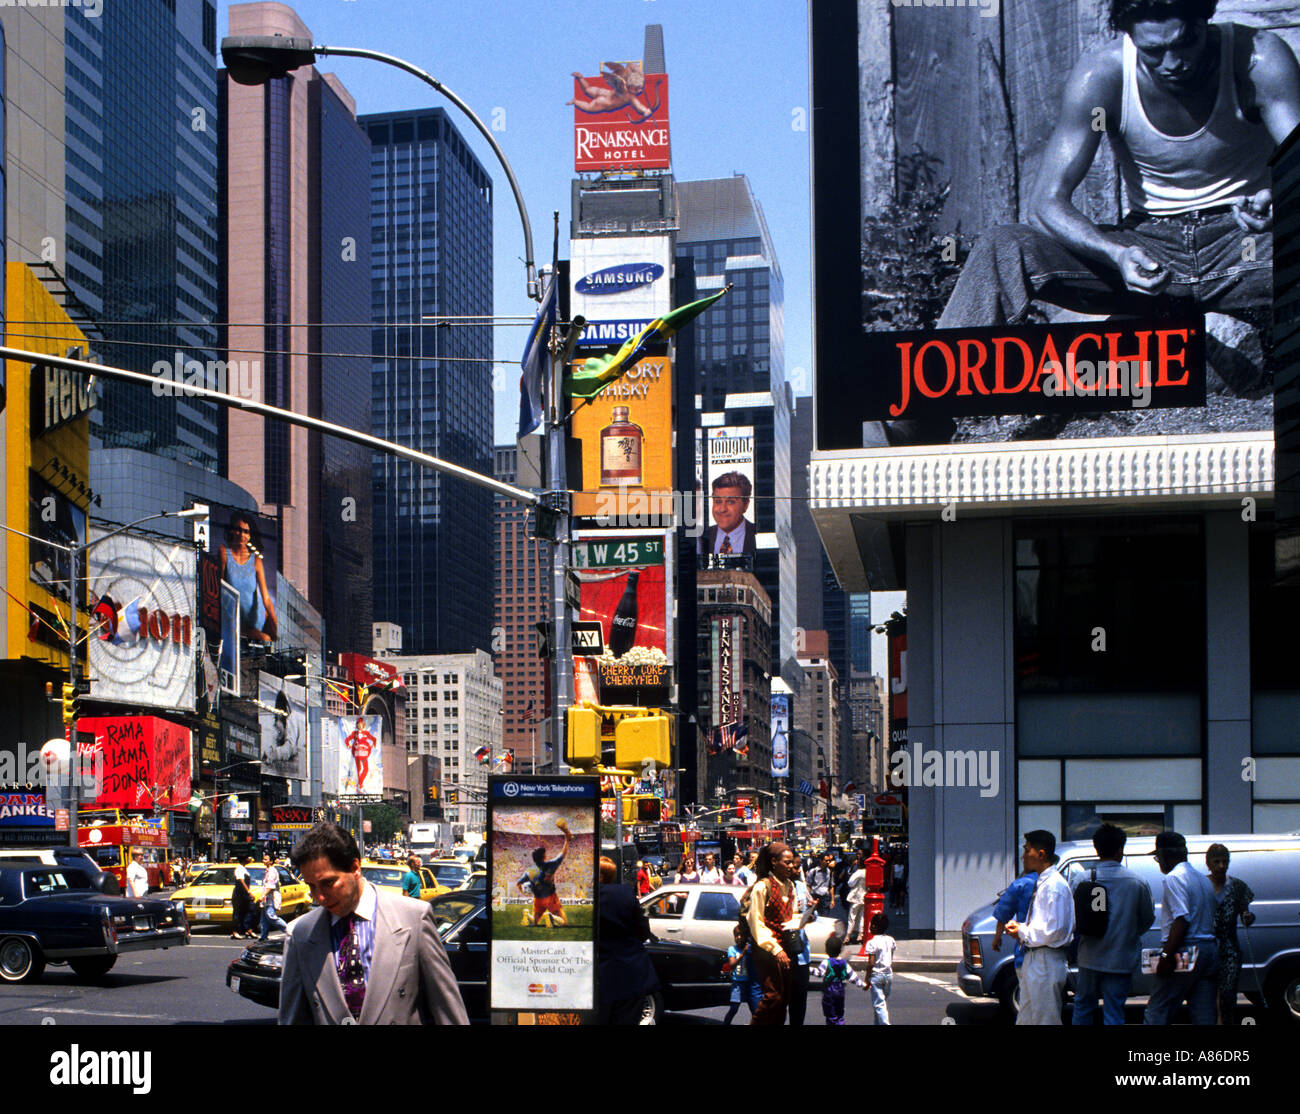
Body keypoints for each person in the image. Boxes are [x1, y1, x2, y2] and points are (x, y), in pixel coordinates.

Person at [895, 0, 1300, 447]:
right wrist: (1117, 254)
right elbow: (1047, 202)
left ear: (1205, 19)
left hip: (1243, 245)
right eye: (1152, 51)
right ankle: (911, 428)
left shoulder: (1259, 58)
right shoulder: (1102, 76)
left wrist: (1274, 200)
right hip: (1151, 250)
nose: (1172, 63)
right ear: (1128, 35)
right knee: (1002, 245)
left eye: (1185, 42)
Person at [279, 822, 467, 1025]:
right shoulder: (300, 933)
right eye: (311, 886)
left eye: (328, 883)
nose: (320, 897)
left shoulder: (413, 918)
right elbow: (292, 1017)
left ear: (355, 868)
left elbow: (448, 1009)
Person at [1072, 823, 1156, 1026]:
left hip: (1089, 956)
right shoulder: (1137, 882)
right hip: (1121, 957)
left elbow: (1071, 916)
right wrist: (1128, 931)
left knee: (1083, 1006)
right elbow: (1147, 918)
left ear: (1096, 849)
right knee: (1114, 1010)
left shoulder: (1082, 879)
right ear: (1121, 849)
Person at [1145, 831, 1220, 1025]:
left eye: (1157, 857)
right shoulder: (1203, 880)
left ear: (1164, 856)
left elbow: (1181, 920)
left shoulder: (1174, 878)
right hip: (1209, 950)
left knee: (1158, 1010)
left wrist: (1165, 957)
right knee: (1204, 1014)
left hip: (1186, 949)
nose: (1158, 862)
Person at [1004, 830, 1075, 1025]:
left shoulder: (1054, 886)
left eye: (1027, 851)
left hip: (1045, 958)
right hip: (1034, 956)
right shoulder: (1043, 882)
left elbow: (1052, 931)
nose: (1023, 856)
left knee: (1045, 1018)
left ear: (1041, 854)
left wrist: (1020, 931)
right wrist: (1021, 929)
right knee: (1027, 1016)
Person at [596, 856, 660, 1024]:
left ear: (599, 874)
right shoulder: (624, 893)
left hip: (598, 977)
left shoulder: (587, 896)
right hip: (629, 973)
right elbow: (643, 931)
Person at [743, 841, 798, 1025]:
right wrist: (776, 949)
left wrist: (803, 920)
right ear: (774, 862)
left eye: (792, 863)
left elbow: (793, 916)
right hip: (767, 950)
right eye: (787, 862)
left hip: (785, 947)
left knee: (784, 998)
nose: (791, 866)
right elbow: (756, 922)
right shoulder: (763, 887)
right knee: (773, 996)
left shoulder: (790, 886)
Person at [1206, 843, 1255, 1025]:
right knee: (1206, 996)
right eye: (1216, 861)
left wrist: (1248, 917)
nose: (1221, 866)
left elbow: (1246, 912)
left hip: (1229, 950)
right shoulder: (1202, 885)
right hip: (1206, 948)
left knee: (1227, 995)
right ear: (1208, 863)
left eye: (1225, 862)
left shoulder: (1238, 886)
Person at [217, 514, 277, 642]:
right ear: (232, 530)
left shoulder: (256, 562)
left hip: (255, 620)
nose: (242, 535)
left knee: (265, 639)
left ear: (250, 535)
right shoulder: (224, 553)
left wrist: (275, 626)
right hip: (232, 617)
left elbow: (266, 598)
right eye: (238, 529)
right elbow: (219, 587)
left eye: (246, 531)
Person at [516, 818, 572, 927]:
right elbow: (563, 853)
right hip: (551, 898)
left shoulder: (529, 871)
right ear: (544, 857)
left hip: (538, 899)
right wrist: (567, 839)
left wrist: (523, 892)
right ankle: (550, 916)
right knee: (563, 922)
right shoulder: (551, 865)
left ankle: (527, 915)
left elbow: (518, 883)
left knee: (535, 922)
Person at [990, 867, 1038, 983]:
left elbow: (1003, 915)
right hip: (1052, 956)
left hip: (1025, 952)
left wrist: (997, 938)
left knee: (1027, 998)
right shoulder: (1055, 882)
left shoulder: (1020, 884)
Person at [813, 933, 869, 1026]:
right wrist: (863, 984)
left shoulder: (826, 962)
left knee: (830, 1014)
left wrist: (808, 969)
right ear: (840, 950)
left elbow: (819, 973)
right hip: (840, 990)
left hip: (829, 991)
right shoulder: (844, 963)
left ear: (826, 950)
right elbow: (853, 977)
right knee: (839, 1013)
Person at [700, 472, 757, 557]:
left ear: (746, 505)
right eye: (718, 501)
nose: (722, 509)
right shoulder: (701, 537)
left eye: (731, 502)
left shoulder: (758, 534)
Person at [860, 913, 898, 1025]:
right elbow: (890, 956)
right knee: (881, 1004)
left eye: (871, 924)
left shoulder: (871, 942)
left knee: (879, 1005)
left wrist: (866, 980)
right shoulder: (891, 940)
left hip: (876, 976)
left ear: (874, 927)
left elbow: (870, 963)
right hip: (888, 975)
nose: (870, 926)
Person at [721, 925, 761, 1024]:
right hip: (738, 984)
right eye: (736, 935)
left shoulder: (751, 949)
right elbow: (732, 965)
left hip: (749, 983)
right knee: (734, 1008)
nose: (738, 938)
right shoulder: (732, 949)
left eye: (741, 935)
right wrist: (743, 954)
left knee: (754, 1009)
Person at [259, 852, 288, 940]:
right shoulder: (267, 870)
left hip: (271, 898)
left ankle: (288, 930)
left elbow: (270, 886)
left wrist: (263, 895)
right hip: (267, 899)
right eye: (263, 859)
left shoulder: (272, 871)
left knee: (271, 916)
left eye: (265, 859)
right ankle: (264, 936)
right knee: (264, 919)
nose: (263, 861)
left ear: (271, 861)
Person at [344, 717, 377, 793]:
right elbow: (347, 740)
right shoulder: (354, 733)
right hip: (357, 753)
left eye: (361, 724)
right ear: (357, 725)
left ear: (363, 725)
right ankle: (359, 786)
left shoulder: (366, 733)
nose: (360, 726)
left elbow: (374, 739)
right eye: (358, 724)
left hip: (364, 752)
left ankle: (360, 784)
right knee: (359, 769)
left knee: (365, 769)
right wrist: (349, 746)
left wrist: (372, 746)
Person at [230, 856, 257, 939]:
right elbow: (241, 881)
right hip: (239, 894)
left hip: (244, 894)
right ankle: (235, 931)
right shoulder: (239, 868)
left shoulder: (244, 868)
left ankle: (248, 929)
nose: (250, 859)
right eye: (248, 858)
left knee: (250, 910)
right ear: (244, 859)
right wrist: (249, 892)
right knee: (237, 913)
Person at [846, 858, 867, 943]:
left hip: (856, 897)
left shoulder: (859, 872)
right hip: (864, 896)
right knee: (862, 917)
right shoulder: (867, 872)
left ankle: (847, 936)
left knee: (852, 917)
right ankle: (860, 935)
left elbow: (850, 883)